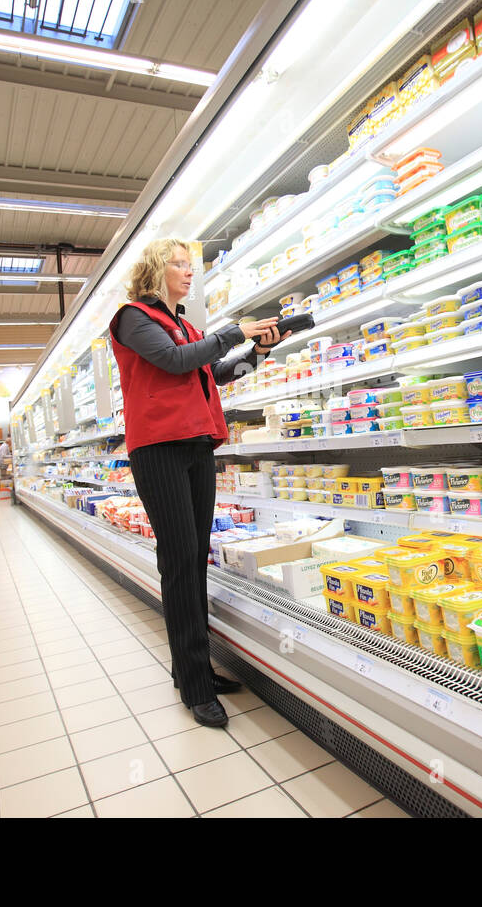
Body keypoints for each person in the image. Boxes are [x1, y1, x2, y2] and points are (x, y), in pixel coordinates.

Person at [109, 238, 283, 727]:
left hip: (196, 446)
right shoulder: (132, 318)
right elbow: (175, 361)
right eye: (180, 264)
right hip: (159, 448)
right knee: (179, 563)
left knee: (194, 558)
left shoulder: (187, 325)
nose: (189, 273)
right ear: (155, 269)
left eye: (191, 266)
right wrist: (232, 331)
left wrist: (261, 350)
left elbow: (217, 374)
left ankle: (192, 666)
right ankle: (193, 684)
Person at [0, 435, 12, 503]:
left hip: (2, 463)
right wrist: (12, 455)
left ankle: (4, 491)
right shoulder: (5, 446)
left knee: (3, 476)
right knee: (3, 476)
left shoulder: (4, 445)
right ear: (9, 442)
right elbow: (3, 455)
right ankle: (4, 492)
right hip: (2, 463)